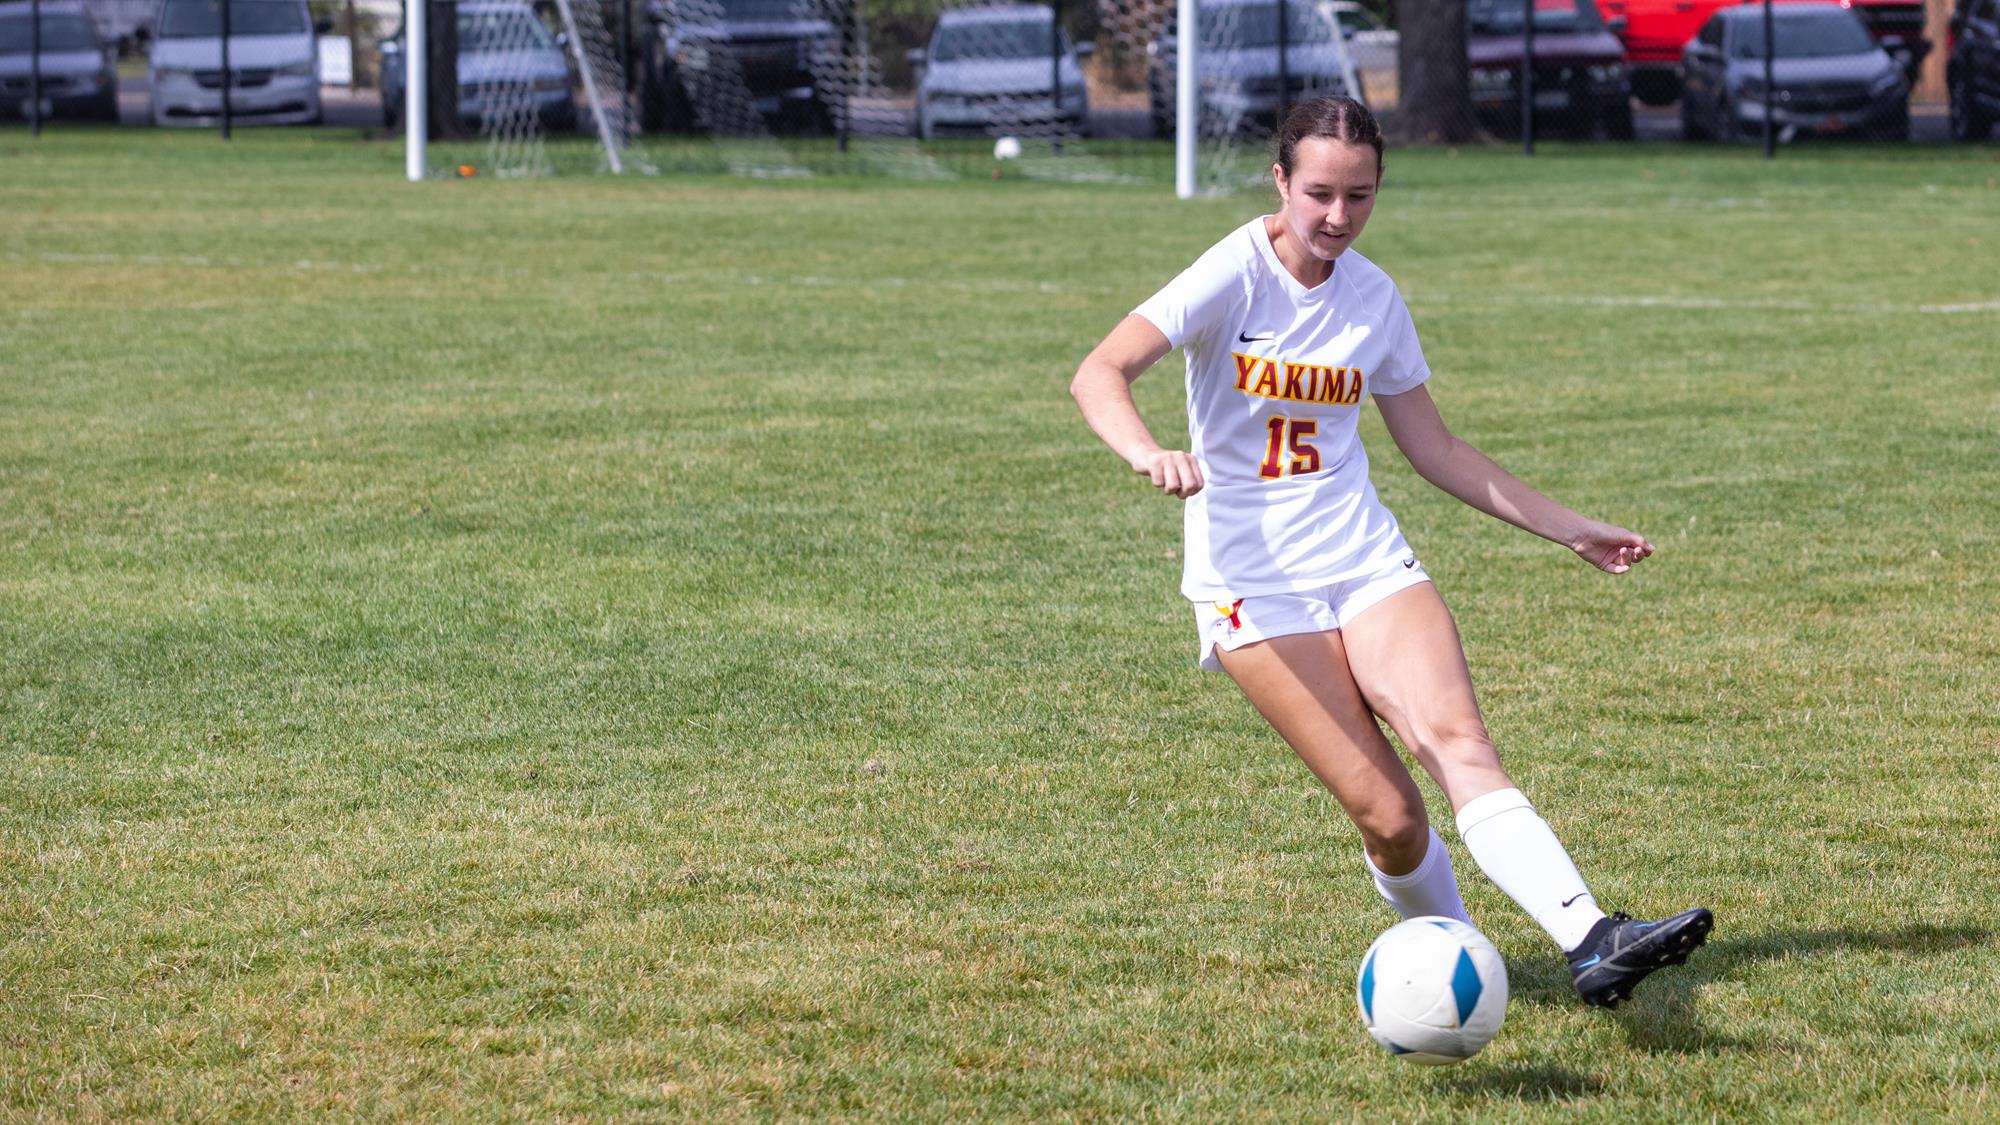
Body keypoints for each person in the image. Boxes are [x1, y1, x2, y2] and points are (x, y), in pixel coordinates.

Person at [1068, 96, 1711, 1009]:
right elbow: (1099, 371)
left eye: (1360, 197)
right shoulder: (1232, 273)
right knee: (1394, 818)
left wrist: (1570, 526)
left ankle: (1592, 936)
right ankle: (1460, 954)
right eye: (1320, 193)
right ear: (1280, 180)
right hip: (1251, 584)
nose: (1337, 217)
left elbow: (1435, 449)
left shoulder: (1373, 296)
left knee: (1457, 741)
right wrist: (1147, 450)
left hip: (1362, 555)